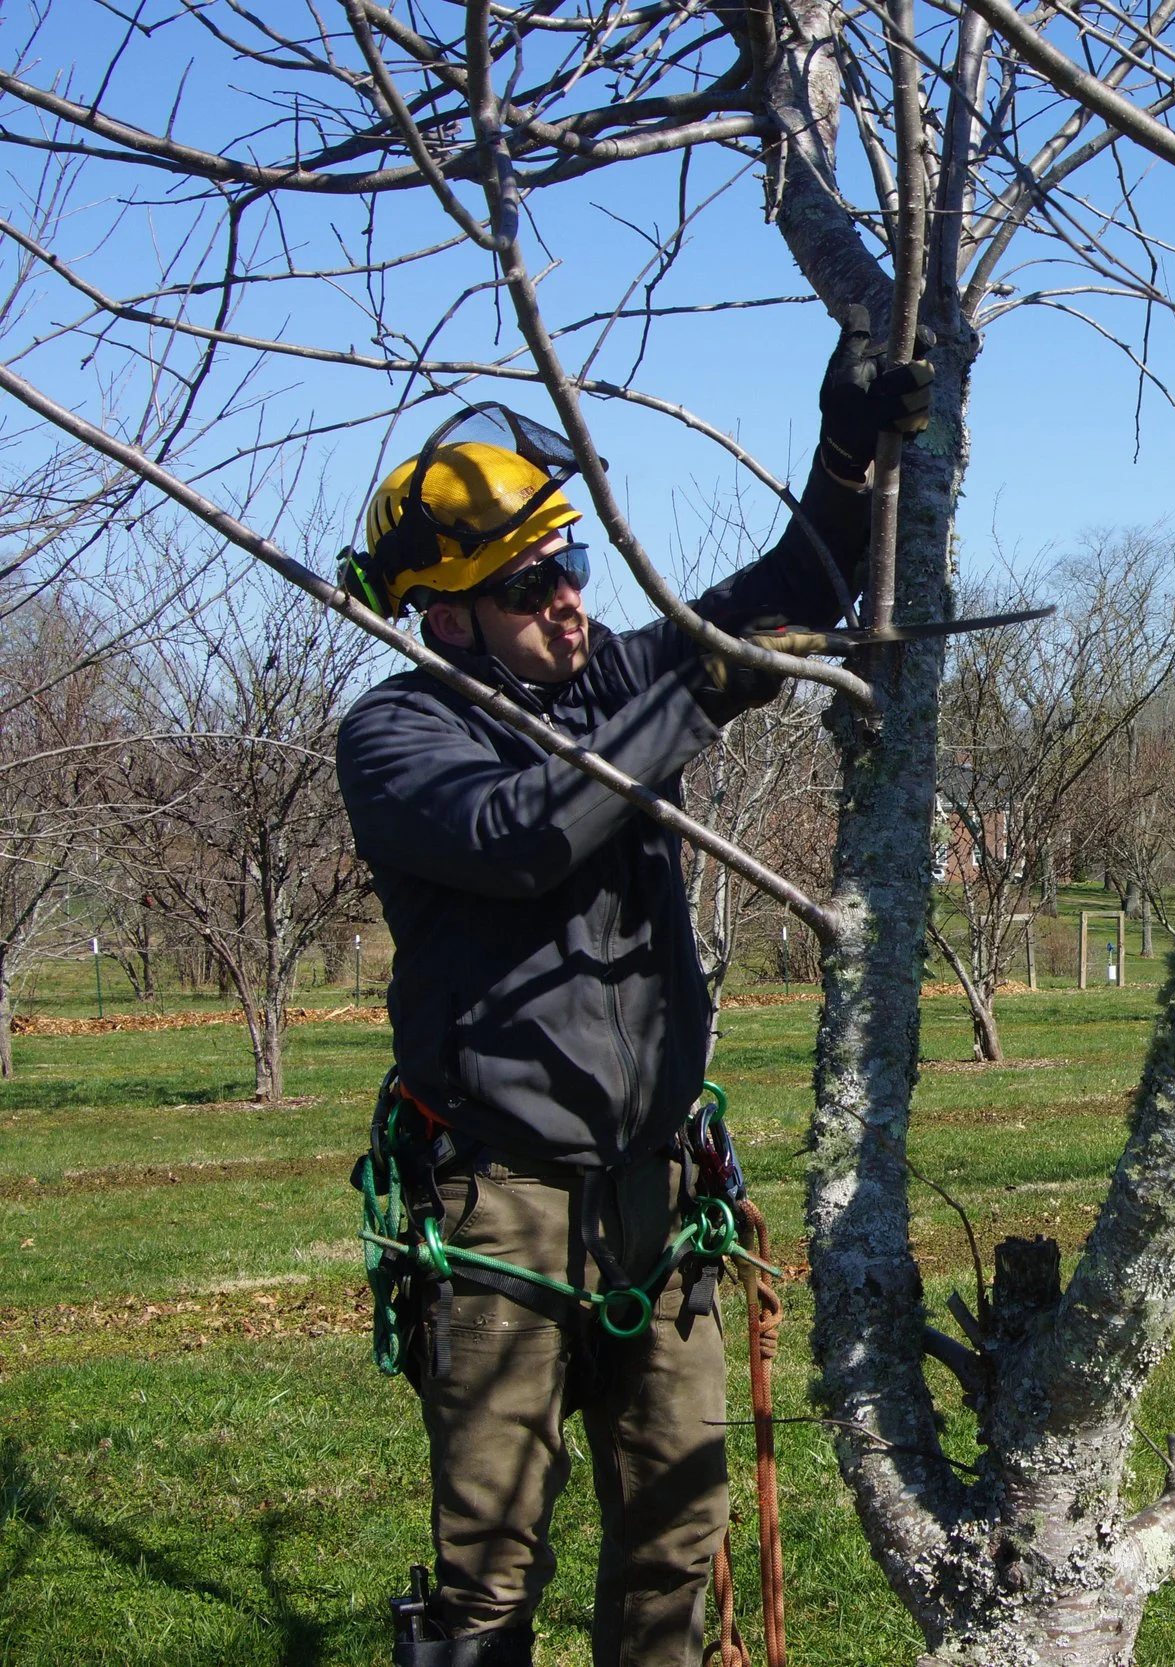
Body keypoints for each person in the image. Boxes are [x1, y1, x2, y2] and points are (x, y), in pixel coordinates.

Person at [334, 333, 929, 1667]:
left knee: (674, 1532)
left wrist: (848, 450)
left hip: (657, 1190)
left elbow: (790, 588)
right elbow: (523, 833)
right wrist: (700, 698)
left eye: (573, 567)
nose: (569, 602)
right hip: (502, 1195)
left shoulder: (602, 678)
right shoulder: (395, 738)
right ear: (447, 614)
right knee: (490, 1564)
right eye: (531, 581)